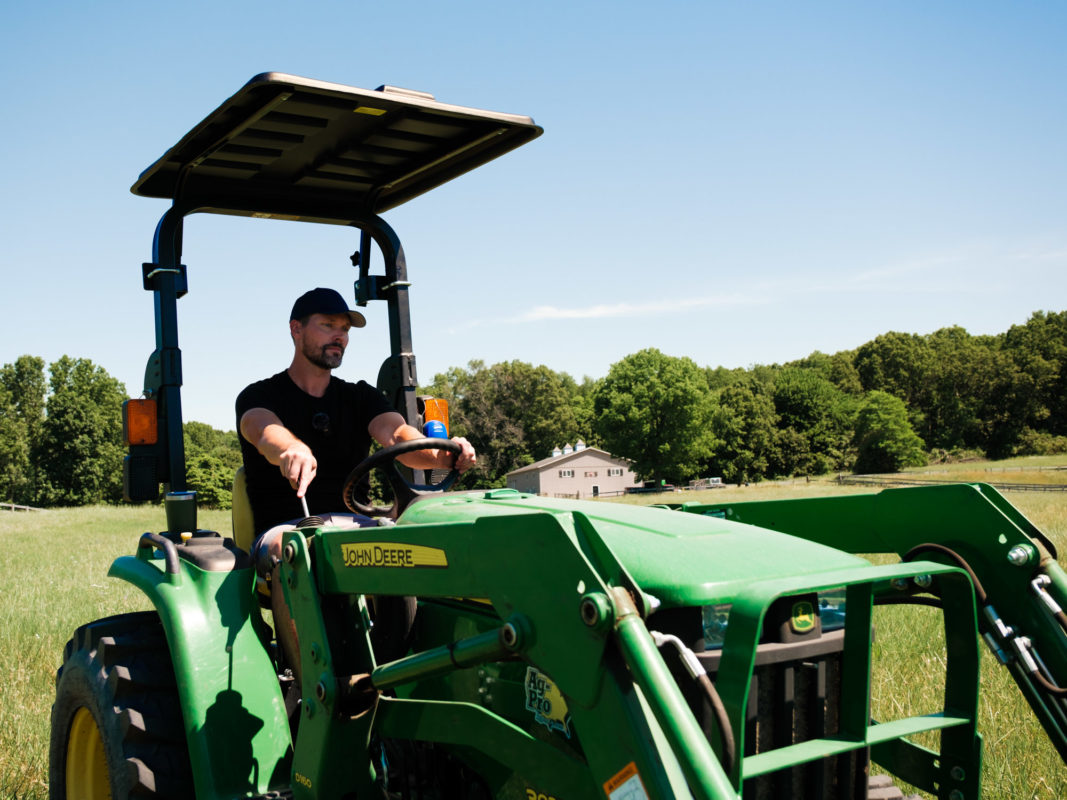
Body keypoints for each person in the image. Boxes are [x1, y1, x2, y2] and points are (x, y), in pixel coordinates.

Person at [236, 287, 476, 676]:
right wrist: (291, 450)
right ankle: (313, 686)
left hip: (353, 527)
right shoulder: (260, 395)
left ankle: (405, 670)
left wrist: (443, 453)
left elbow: (399, 438)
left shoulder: (359, 397)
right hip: (287, 528)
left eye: (345, 329)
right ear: (296, 330)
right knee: (295, 548)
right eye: (328, 325)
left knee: (415, 544)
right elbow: (263, 430)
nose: (339, 336)